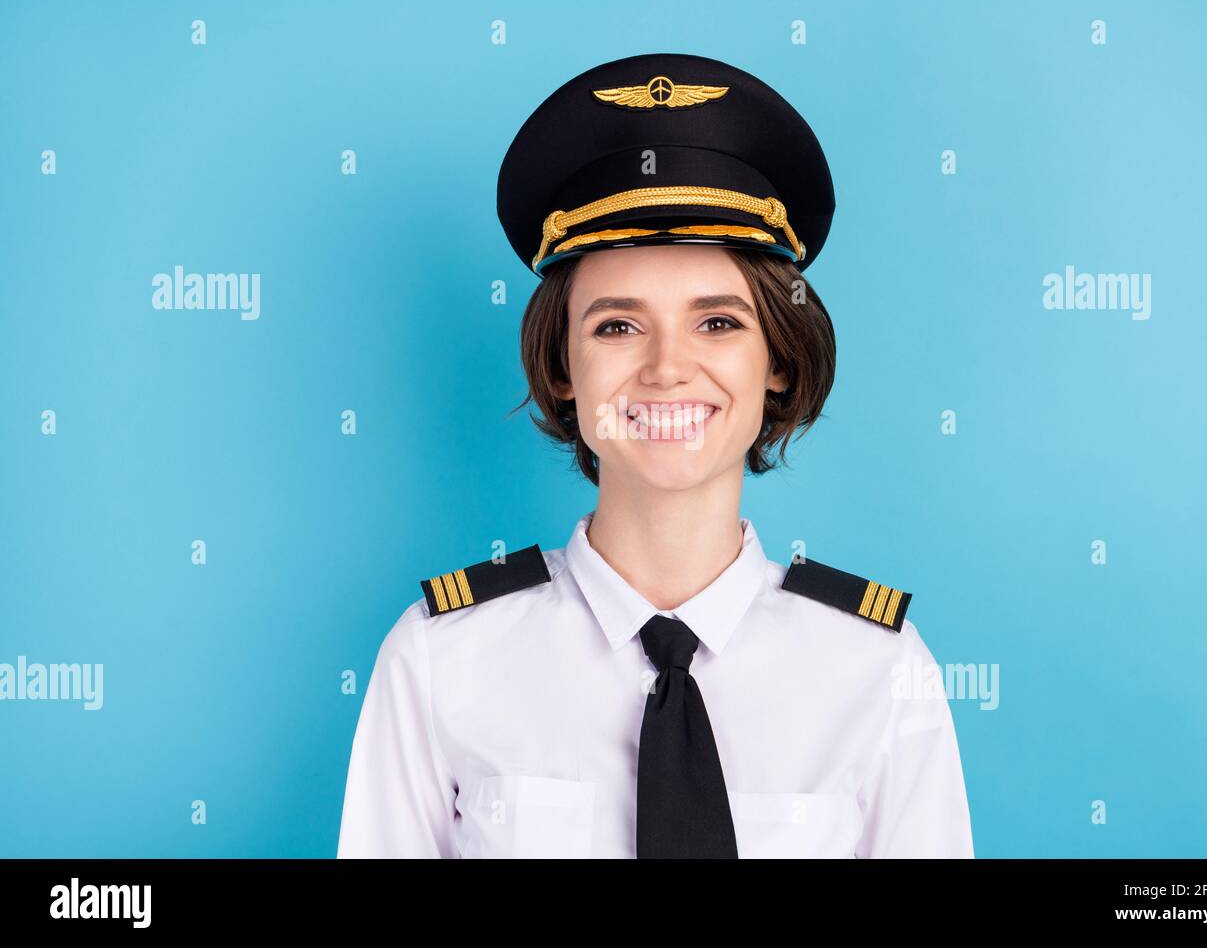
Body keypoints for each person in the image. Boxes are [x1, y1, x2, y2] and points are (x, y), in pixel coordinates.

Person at [337, 52, 974, 858]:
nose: (668, 367)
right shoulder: (437, 658)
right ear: (562, 367)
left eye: (718, 322)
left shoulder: (879, 670)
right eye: (616, 325)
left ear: (777, 360)